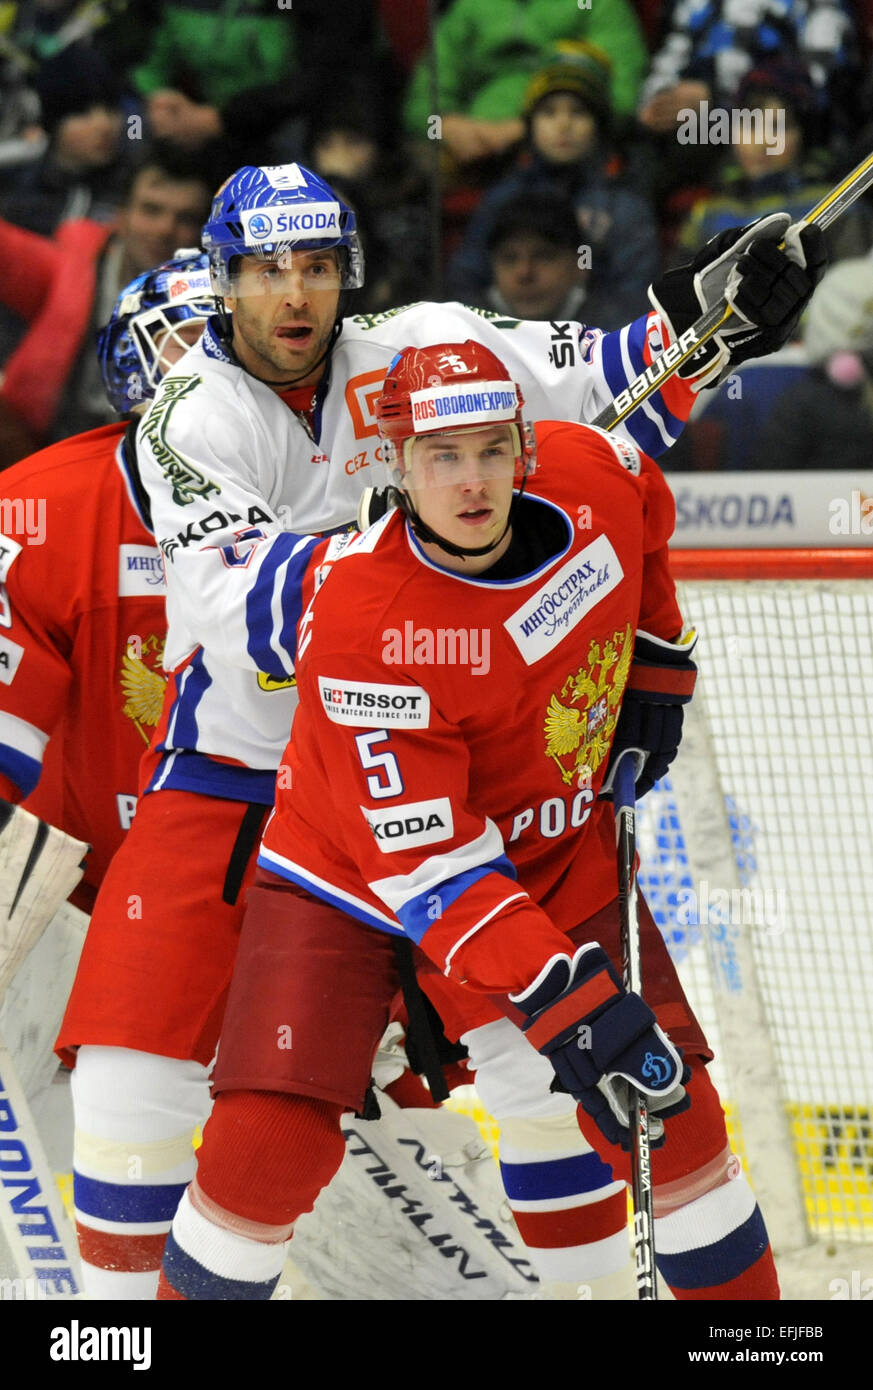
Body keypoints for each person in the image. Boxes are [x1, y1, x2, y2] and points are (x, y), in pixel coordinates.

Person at [56, 160, 824, 1299]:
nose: (296, 295)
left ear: (345, 273)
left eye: (317, 267)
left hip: (462, 765)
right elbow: (247, 620)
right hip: (249, 776)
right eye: (268, 271)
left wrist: (706, 317)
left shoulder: (425, 343)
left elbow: (600, 402)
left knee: (556, 1085)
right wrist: (405, 539)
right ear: (226, 282)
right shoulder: (187, 420)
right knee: (136, 1084)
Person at [153, 340, 779, 1301]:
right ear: (396, 466)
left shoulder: (588, 471)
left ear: (526, 447)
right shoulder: (368, 619)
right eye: (442, 456)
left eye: (492, 449)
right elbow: (437, 874)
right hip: (350, 878)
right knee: (263, 1145)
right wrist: (576, 1011)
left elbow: (644, 512)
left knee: (675, 1116)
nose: (473, 480)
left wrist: (657, 658)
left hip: (552, 852)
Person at [0, 250, 214, 912]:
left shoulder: (345, 499)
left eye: (232, 342)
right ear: (134, 361)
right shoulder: (31, 509)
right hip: (67, 893)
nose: (215, 368)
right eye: (191, 340)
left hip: (281, 884)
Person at [0, 144, 214, 456]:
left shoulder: (217, 308)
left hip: (150, 468)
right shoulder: (72, 267)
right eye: (151, 210)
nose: (165, 228)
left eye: (185, 218)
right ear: (121, 216)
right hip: (48, 448)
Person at [447, 44, 659, 325]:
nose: (563, 125)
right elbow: (465, 281)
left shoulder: (625, 207)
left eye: (579, 112)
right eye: (548, 112)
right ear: (529, 124)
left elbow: (636, 299)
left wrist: (577, 346)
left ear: (600, 125)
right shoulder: (502, 197)